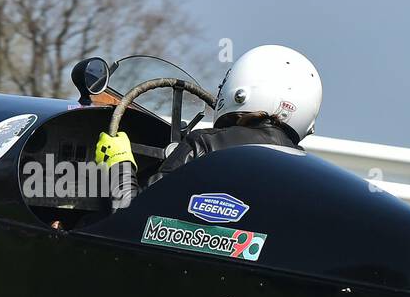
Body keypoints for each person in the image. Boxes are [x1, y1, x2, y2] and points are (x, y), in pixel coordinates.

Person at [94, 45, 322, 205]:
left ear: (239, 90)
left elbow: (131, 218)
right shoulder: (308, 175)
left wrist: (119, 164)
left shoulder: (205, 144)